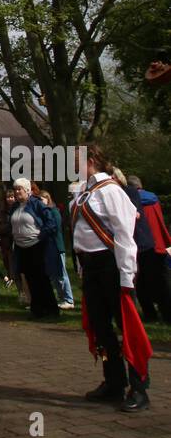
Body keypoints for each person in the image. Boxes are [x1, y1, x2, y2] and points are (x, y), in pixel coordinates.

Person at [72, 146, 152, 412]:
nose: (71, 165)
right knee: (101, 329)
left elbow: (124, 235)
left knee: (126, 327)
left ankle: (139, 387)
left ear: (91, 161)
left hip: (111, 266)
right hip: (91, 267)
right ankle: (113, 381)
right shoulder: (81, 192)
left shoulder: (111, 191)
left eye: (76, 161)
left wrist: (127, 276)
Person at [10, 178, 59, 319]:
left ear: (27, 190)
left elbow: (51, 223)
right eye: (15, 189)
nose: (17, 191)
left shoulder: (36, 204)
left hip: (37, 247)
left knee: (42, 278)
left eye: (20, 189)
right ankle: (37, 309)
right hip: (21, 248)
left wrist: (40, 236)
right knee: (30, 279)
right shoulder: (15, 207)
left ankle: (51, 309)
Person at [125, 174, 171, 324]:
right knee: (161, 281)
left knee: (142, 283)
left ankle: (150, 314)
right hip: (158, 244)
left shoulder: (132, 200)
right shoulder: (154, 199)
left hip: (144, 245)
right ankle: (166, 314)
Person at [39, 190, 74, 307]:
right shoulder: (42, 213)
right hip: (47, 247)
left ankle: (69, 299)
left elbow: (55, 227)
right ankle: (61, 298)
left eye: (42, 199)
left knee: (61, 274)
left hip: (56, 246)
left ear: (48, 199)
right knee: (54, 275)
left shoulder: (54, 211)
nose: (41, 202)